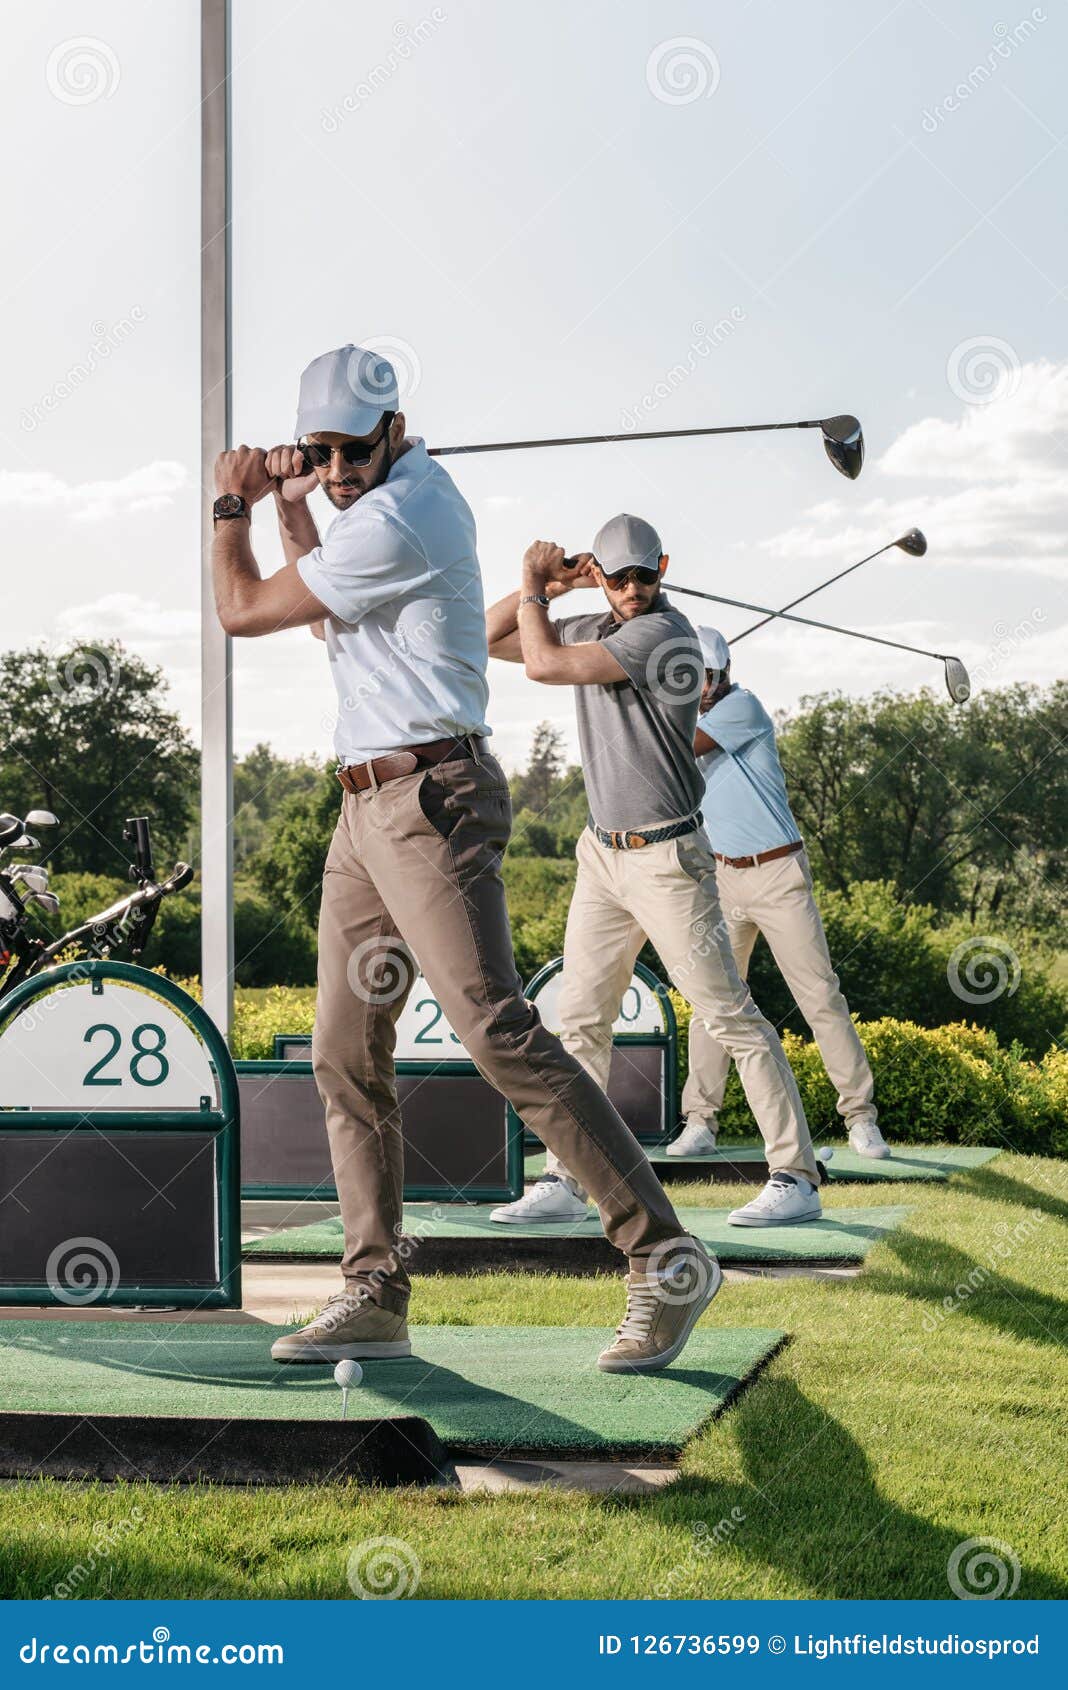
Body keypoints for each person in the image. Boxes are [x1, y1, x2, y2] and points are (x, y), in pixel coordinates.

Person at [210, 345, 719, 1373]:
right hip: (364, 811)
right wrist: (292, 498)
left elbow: (246, 609)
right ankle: (374, 1289)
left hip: (430, 802)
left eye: (356, 449)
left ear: (395, 431)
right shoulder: (374, 509)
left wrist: (233, 502)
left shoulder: (411, 514)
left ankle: (665, 1254)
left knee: (494, 1027)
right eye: (323, 450)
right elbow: (326, 615)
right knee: (343, 1051)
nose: (340, 467)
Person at [485, 514, 823, 1230]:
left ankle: (795, 1174)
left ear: (663, 568)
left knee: (727, 1012)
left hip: (669, 859)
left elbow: (542, 663)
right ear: (600, 576)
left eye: (645, 574)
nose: (635, 588)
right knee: (579, 1021)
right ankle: (567, 1181)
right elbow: (486, 641)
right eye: (619, 577)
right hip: (601, 857)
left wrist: (535, 590)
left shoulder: (665, 636)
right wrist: (541, 587)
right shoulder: (587, 623)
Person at [670, 626, 889, 1161]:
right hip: (721, 879)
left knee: (819, 996)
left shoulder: (743, 708)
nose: (703, 687)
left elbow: (681, 746)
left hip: (777, 873)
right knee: (712, 1002)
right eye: (691, 679)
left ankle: (861, 1118)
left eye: (710, 677)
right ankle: (700, 1120)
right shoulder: (687, 711)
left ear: (726, 674)